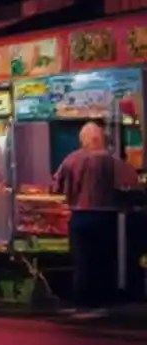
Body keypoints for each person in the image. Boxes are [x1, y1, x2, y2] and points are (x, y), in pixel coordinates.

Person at [52, 121, 138, 318]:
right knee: (103, 261)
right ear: (101, 139)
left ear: (82, 140)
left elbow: (56, 187)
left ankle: (82, 302)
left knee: (82, 262)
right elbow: (131, 184)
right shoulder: (113, 161)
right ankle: (102, 302)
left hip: (80, 217)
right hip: (106, 217)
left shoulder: (71, 159)